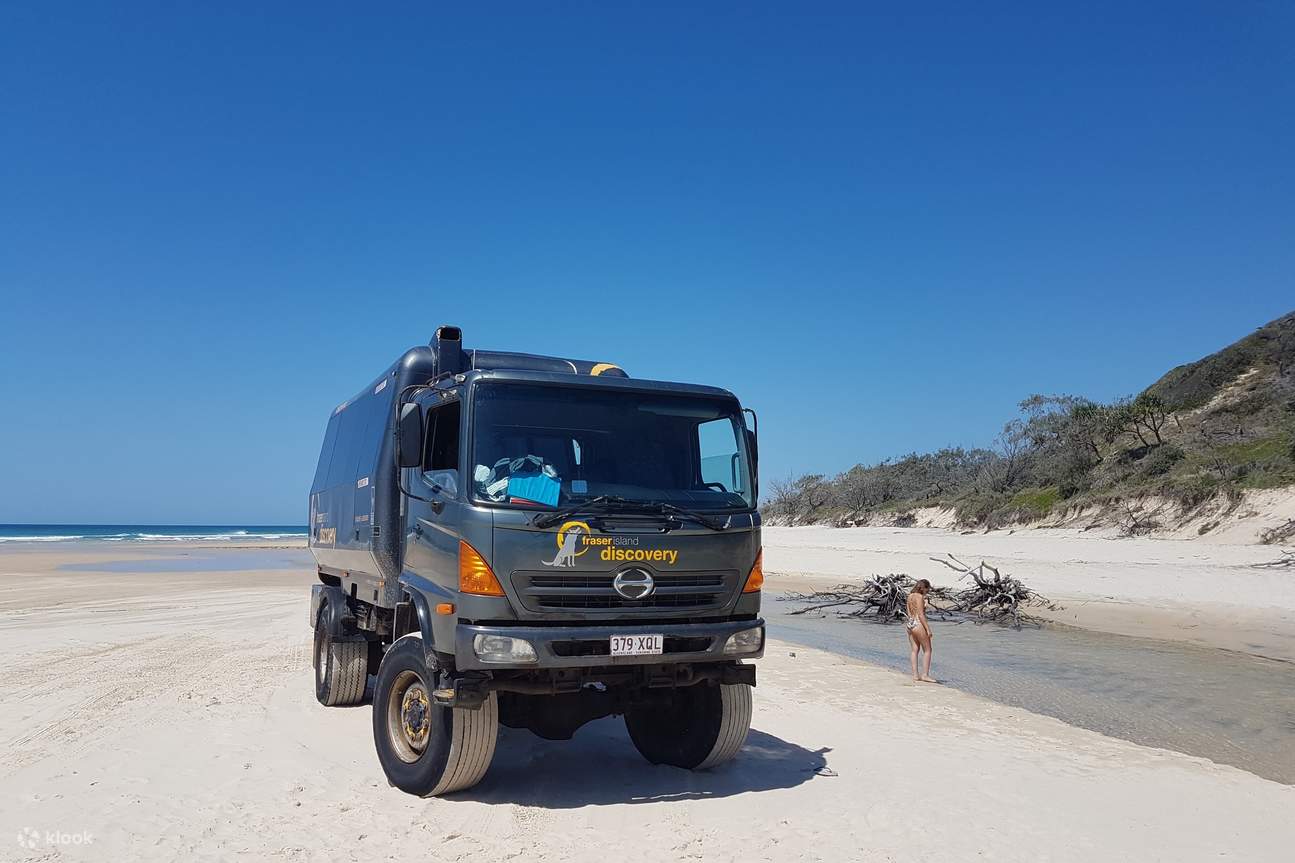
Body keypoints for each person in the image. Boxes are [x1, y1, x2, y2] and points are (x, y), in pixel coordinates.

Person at [906, 579, 937, 683]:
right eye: (927, 589)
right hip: (918, 624)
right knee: (928, 650)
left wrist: (924, 605)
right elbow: (920, 614)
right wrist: (928, 629)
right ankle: (925, 675)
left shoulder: (910, 596)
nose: (927, 592)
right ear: (923, 588)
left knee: (914, 650)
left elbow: (910, 612)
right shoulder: (919, 597)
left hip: (910, 624)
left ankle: (915, 675)